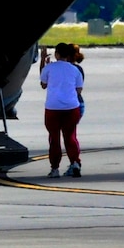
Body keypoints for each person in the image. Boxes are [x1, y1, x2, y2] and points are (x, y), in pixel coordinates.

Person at [40, 42, 85, 178]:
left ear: (57, 54)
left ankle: (55, 168)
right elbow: (79, 89)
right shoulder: (75, 70)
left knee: (54, 139)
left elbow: (43, 84)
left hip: (53, 107)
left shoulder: (49, 68)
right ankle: (75, 162)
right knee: (70, 136)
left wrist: (43, 61)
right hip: (71, 107)